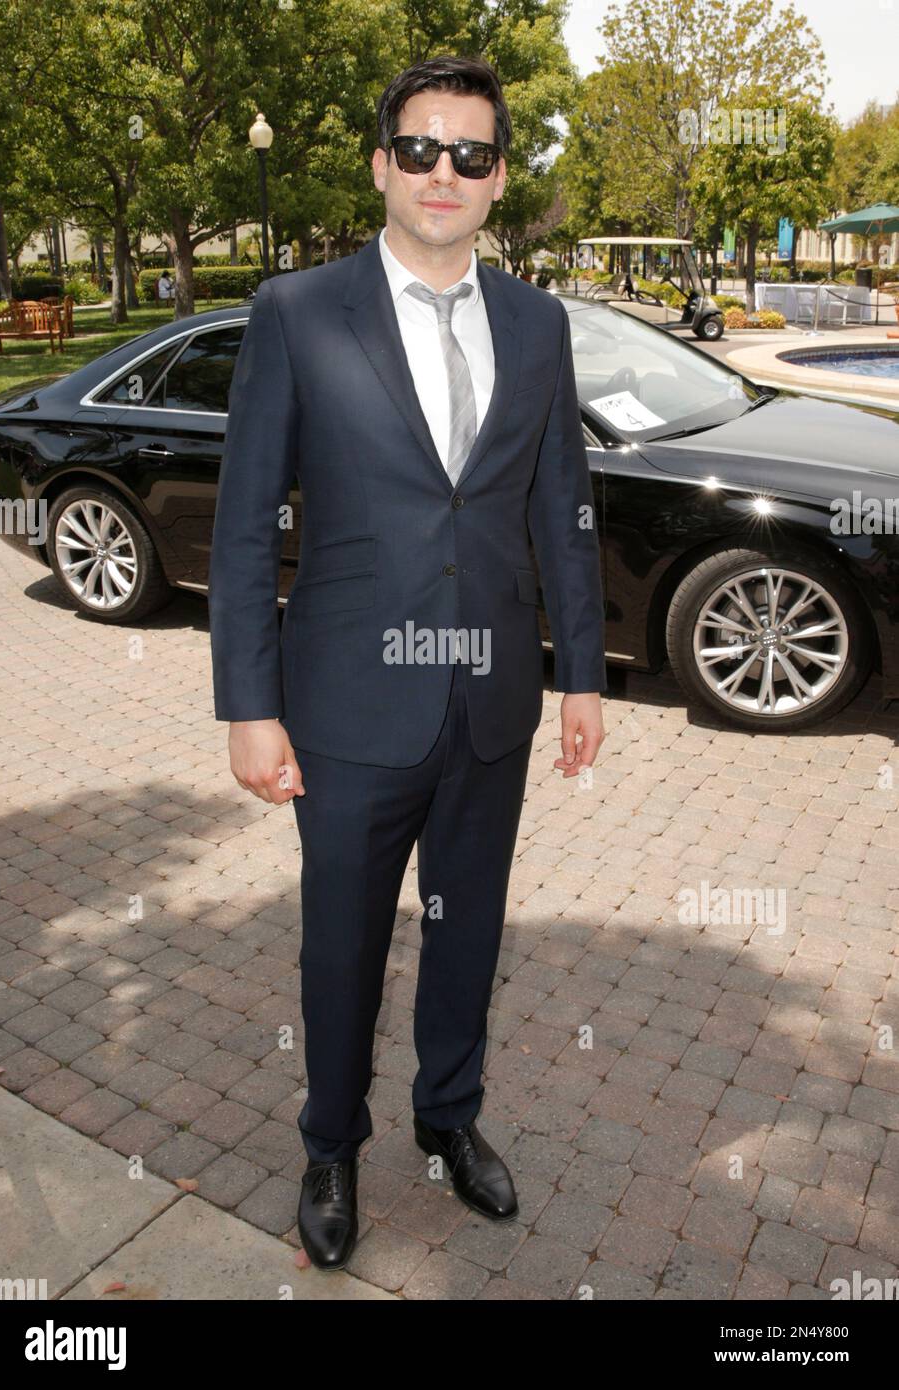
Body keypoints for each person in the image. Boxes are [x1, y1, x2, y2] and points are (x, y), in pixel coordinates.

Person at [208, 54, 607, 1271]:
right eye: (422, 149)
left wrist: (582, 673)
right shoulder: (296, 311)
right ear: (383, 165)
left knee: (468, 930)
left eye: (471, 154)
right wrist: (247, 707)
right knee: (342, 941)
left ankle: (449, 1120)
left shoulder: (539, 324)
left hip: (489, 698)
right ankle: (330, 1143)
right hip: (342, 708)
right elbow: (240, 525)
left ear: (496, 180)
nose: (445, 172)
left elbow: (561, 505)